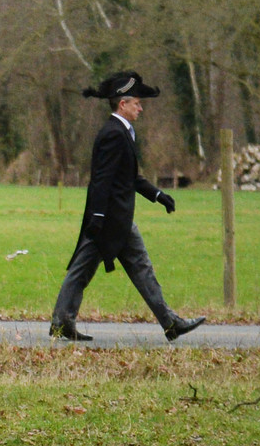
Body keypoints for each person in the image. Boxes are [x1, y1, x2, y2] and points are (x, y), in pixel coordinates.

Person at [50, 70, 206, 342]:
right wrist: (98, 216)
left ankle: (64, 321)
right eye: (137, 103)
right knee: (109, 269)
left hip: (115, 219)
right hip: (110, 220)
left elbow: (129, 177)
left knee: (98, 269)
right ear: (122, 104)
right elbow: (102, 179)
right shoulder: (113, 134)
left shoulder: (122, 132)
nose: (141, 108)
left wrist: (158, 195)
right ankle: (171, 323)